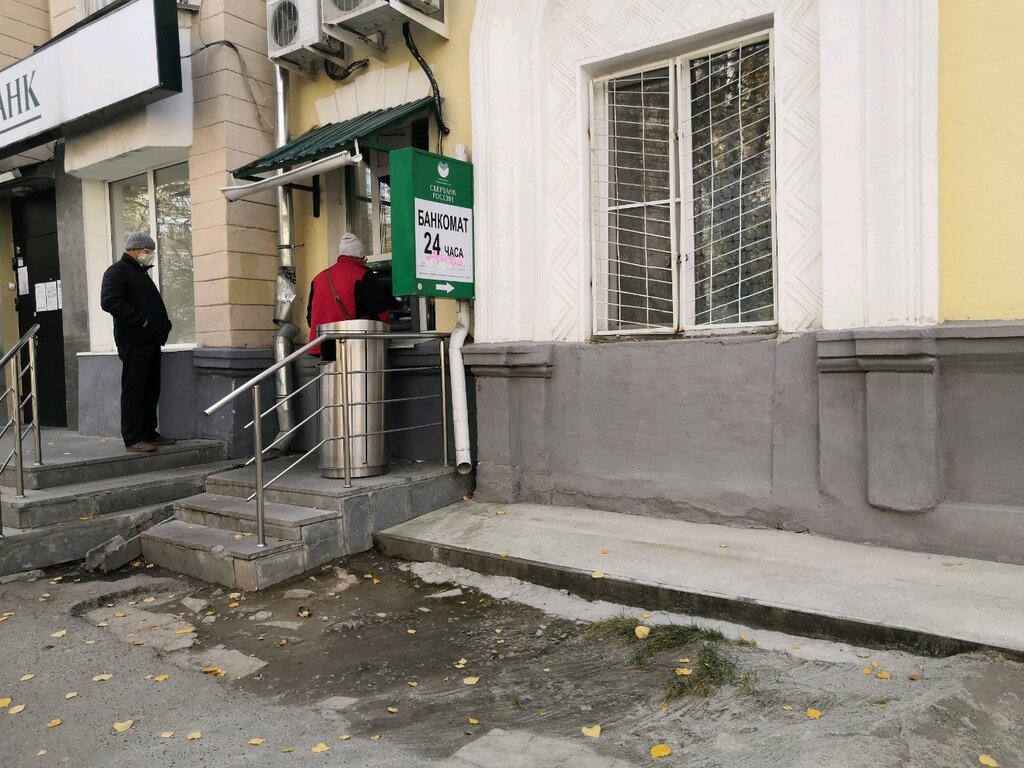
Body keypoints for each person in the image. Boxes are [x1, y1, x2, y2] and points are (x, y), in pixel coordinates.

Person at [100, 231, 175, 453]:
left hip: (150, 340)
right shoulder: (118, 271)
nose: (150, 254)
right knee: (135, 389)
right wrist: (140, 320)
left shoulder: (139, 272)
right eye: (147, 251)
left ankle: (148, 432)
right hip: (134, 340)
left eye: (151, 251)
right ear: (134, 249)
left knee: (150, 388)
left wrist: (163, 325)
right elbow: (110, 301)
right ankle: (133, 438)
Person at [306, 232, 390, 358]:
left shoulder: (318, 278)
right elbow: (381, 314)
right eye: (364, 259)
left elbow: (309, 318)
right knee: (357, 377)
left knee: (330, 377)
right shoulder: (363, 275)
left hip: (322, 346)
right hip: (354, 347)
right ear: (359, 257)